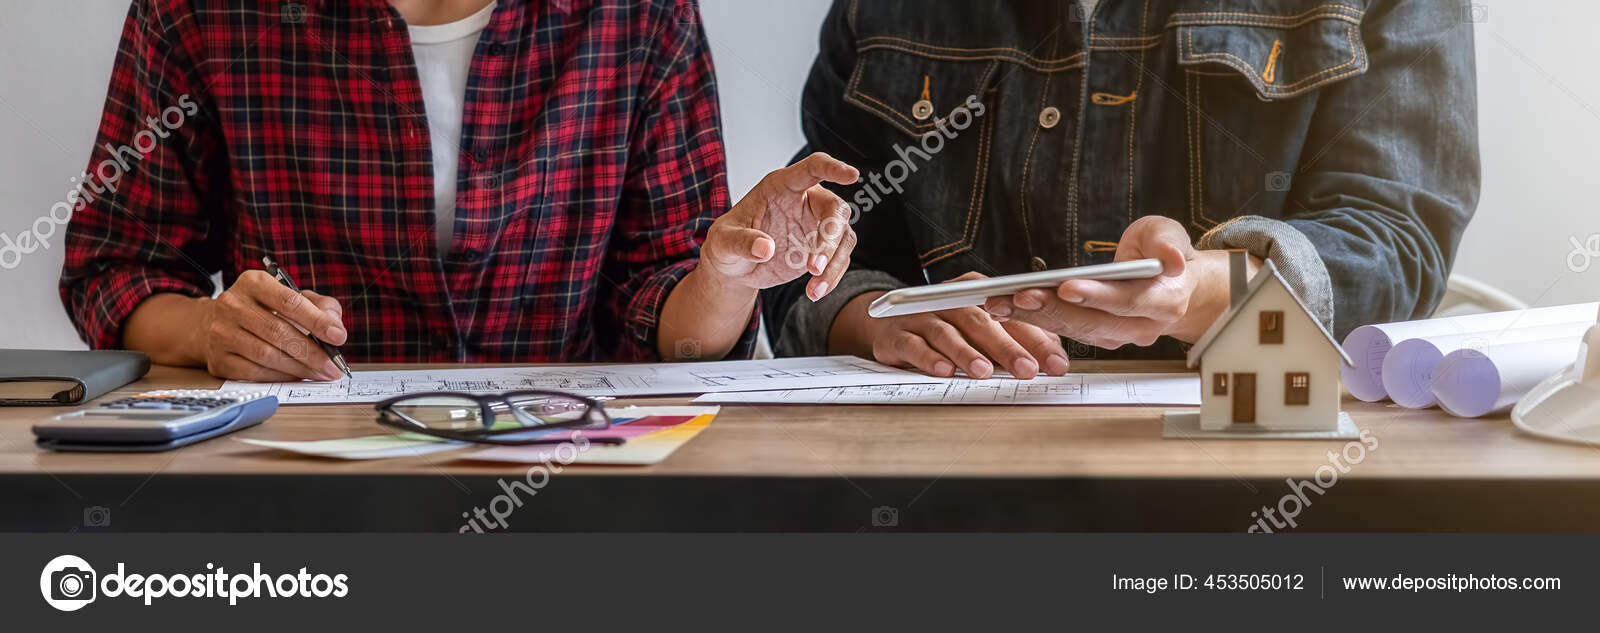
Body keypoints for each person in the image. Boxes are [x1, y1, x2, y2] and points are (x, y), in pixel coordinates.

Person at [60, 0, 860, 381]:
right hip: (300, 481)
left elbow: (667, 320)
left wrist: (725, 278)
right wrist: (210, 329)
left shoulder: (642, 15)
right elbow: (115, 267)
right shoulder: (198, 12)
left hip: (574, 472)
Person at [765, 0, 1478, 379]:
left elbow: (1397, 241)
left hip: (1249, 463)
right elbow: (817, 245)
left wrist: (1201, 290)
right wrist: (877, 320)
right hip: (958, 465)